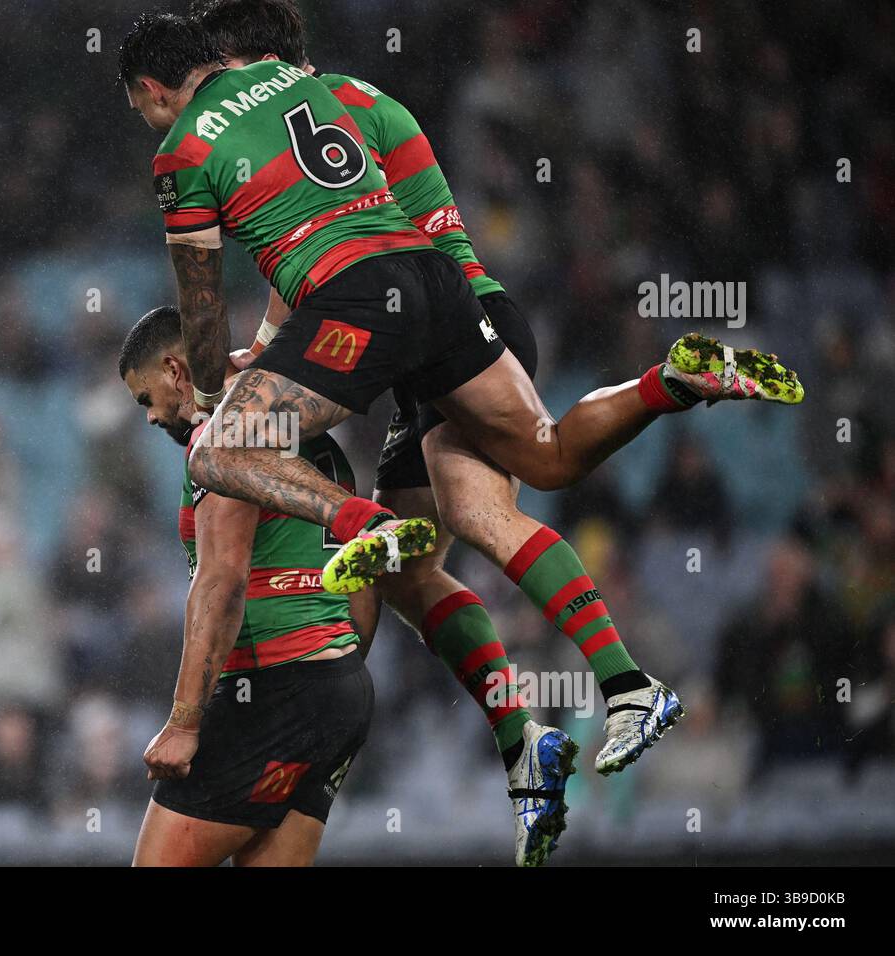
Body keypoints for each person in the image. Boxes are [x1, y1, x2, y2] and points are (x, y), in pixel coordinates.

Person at [186, 0, 676, 858]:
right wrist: (265, 351)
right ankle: (535, 737)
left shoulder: (287, 124)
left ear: (242, 61)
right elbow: (310, 255)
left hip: (435, 323)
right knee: (416, 571)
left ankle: (620, 685)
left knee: (491, 504)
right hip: (439, 321)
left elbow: (339, 257)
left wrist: (259, 371)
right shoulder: (367, 103)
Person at [116, 12, 803, 607]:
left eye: (140, 110)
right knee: (549, 456)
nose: (148, 124)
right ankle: (672, 381)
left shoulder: (181, 152)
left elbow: (200, 301)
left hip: (354, 299)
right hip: (437, 279)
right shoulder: (307, 85)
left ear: (151, 90)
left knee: (223, 448)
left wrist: (209, 394)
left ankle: (364, 524)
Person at [120, 306, 458, 865]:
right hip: (338, 688)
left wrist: (184, 721)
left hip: (272, 686)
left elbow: (221, 581)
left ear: (176, 369)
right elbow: (360, 582)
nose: (151, 418)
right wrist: (336, 674)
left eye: (145, 399)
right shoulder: (313, 439)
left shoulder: (220, 438)